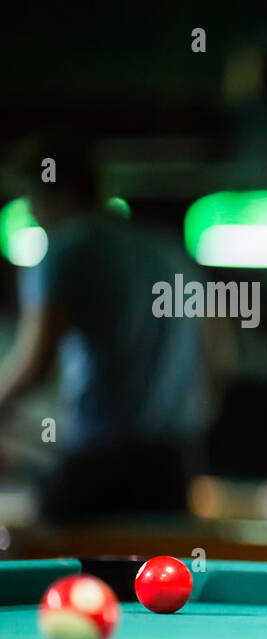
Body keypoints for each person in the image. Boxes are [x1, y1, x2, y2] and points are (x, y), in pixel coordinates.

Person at [0, 132, 210, 520]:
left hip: (98, 473)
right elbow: (218, 356)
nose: (32, 213)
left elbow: (35, 364)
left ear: (53, 193)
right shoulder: (170, 253)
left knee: (58, 574)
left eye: (31, 198)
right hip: (174, 468)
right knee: (155, 576)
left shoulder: (66, 250)